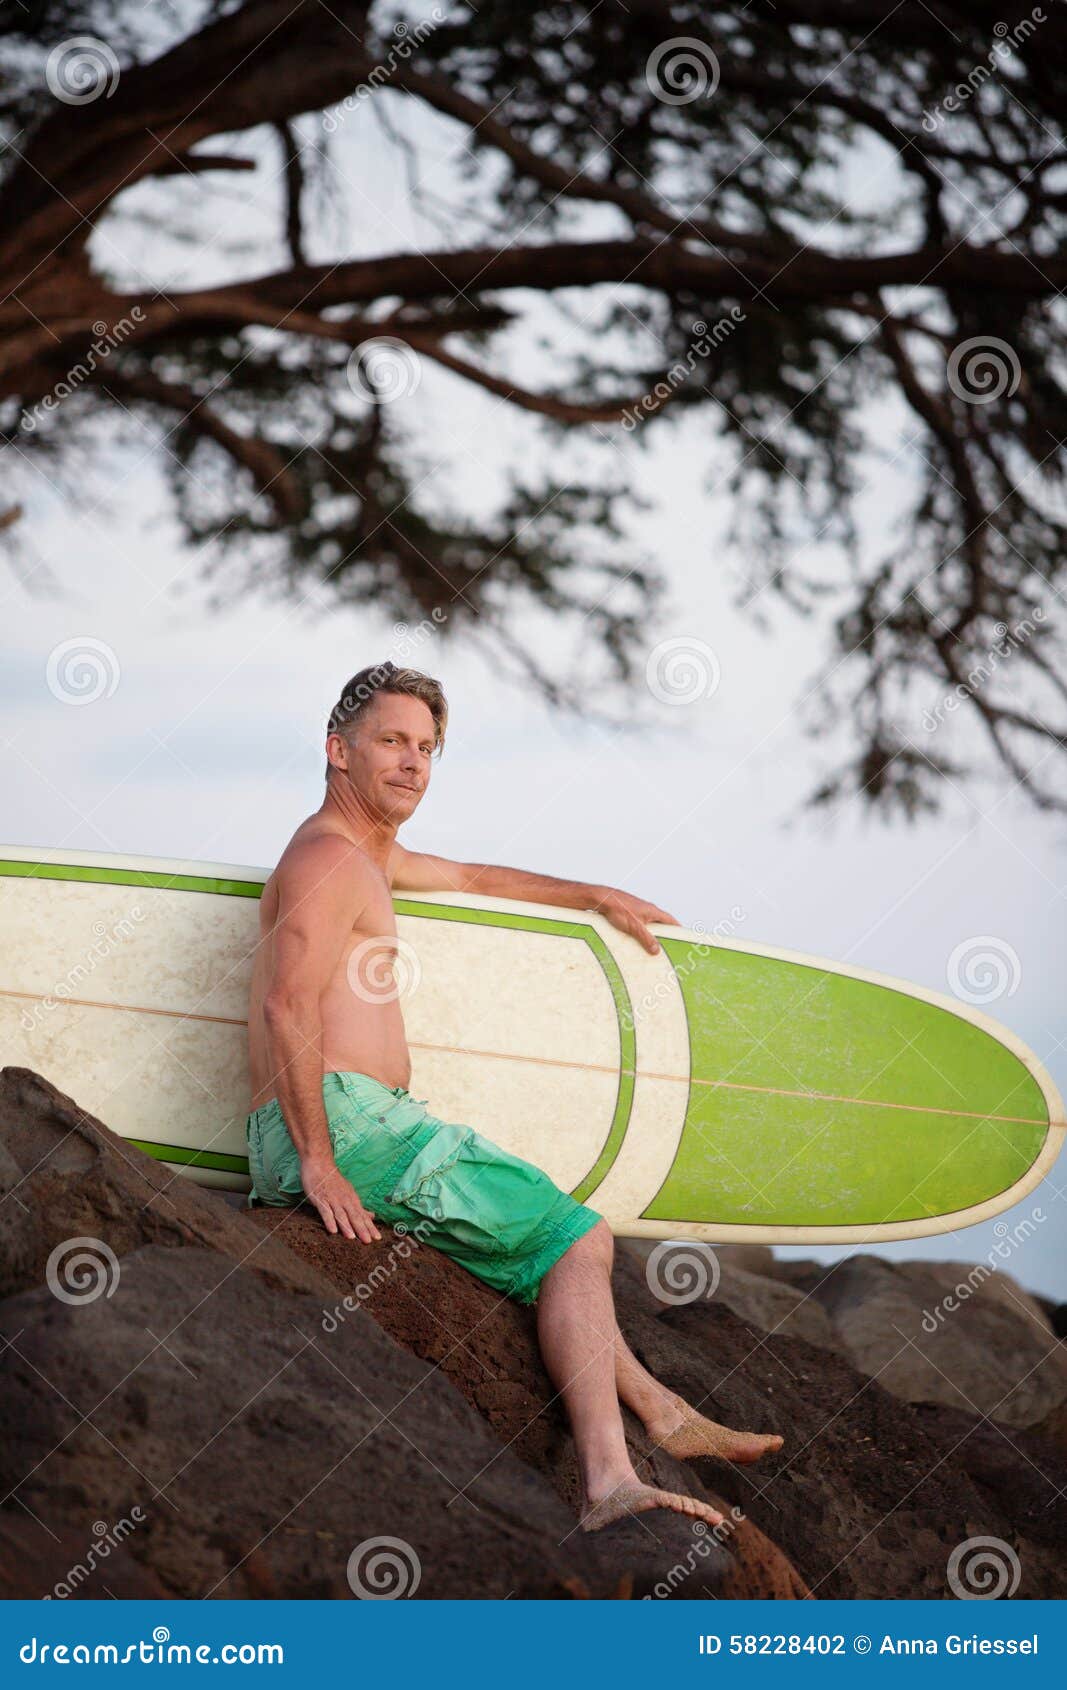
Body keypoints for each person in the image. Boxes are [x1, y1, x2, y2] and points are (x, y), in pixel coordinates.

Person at [245, 661, 783, 1531]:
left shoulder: (365, 853)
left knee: (540, 1250)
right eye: (392, 741)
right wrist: (320, 1162)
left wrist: (594, 895)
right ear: (337, 750)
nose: (414, 763)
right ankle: (610, 1481)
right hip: (350, 1126)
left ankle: (663, 1412)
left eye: (427, 748)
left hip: (340, 1125)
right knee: (577, 1239)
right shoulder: (327, 859)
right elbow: (286, 1004)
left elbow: (471, 878)